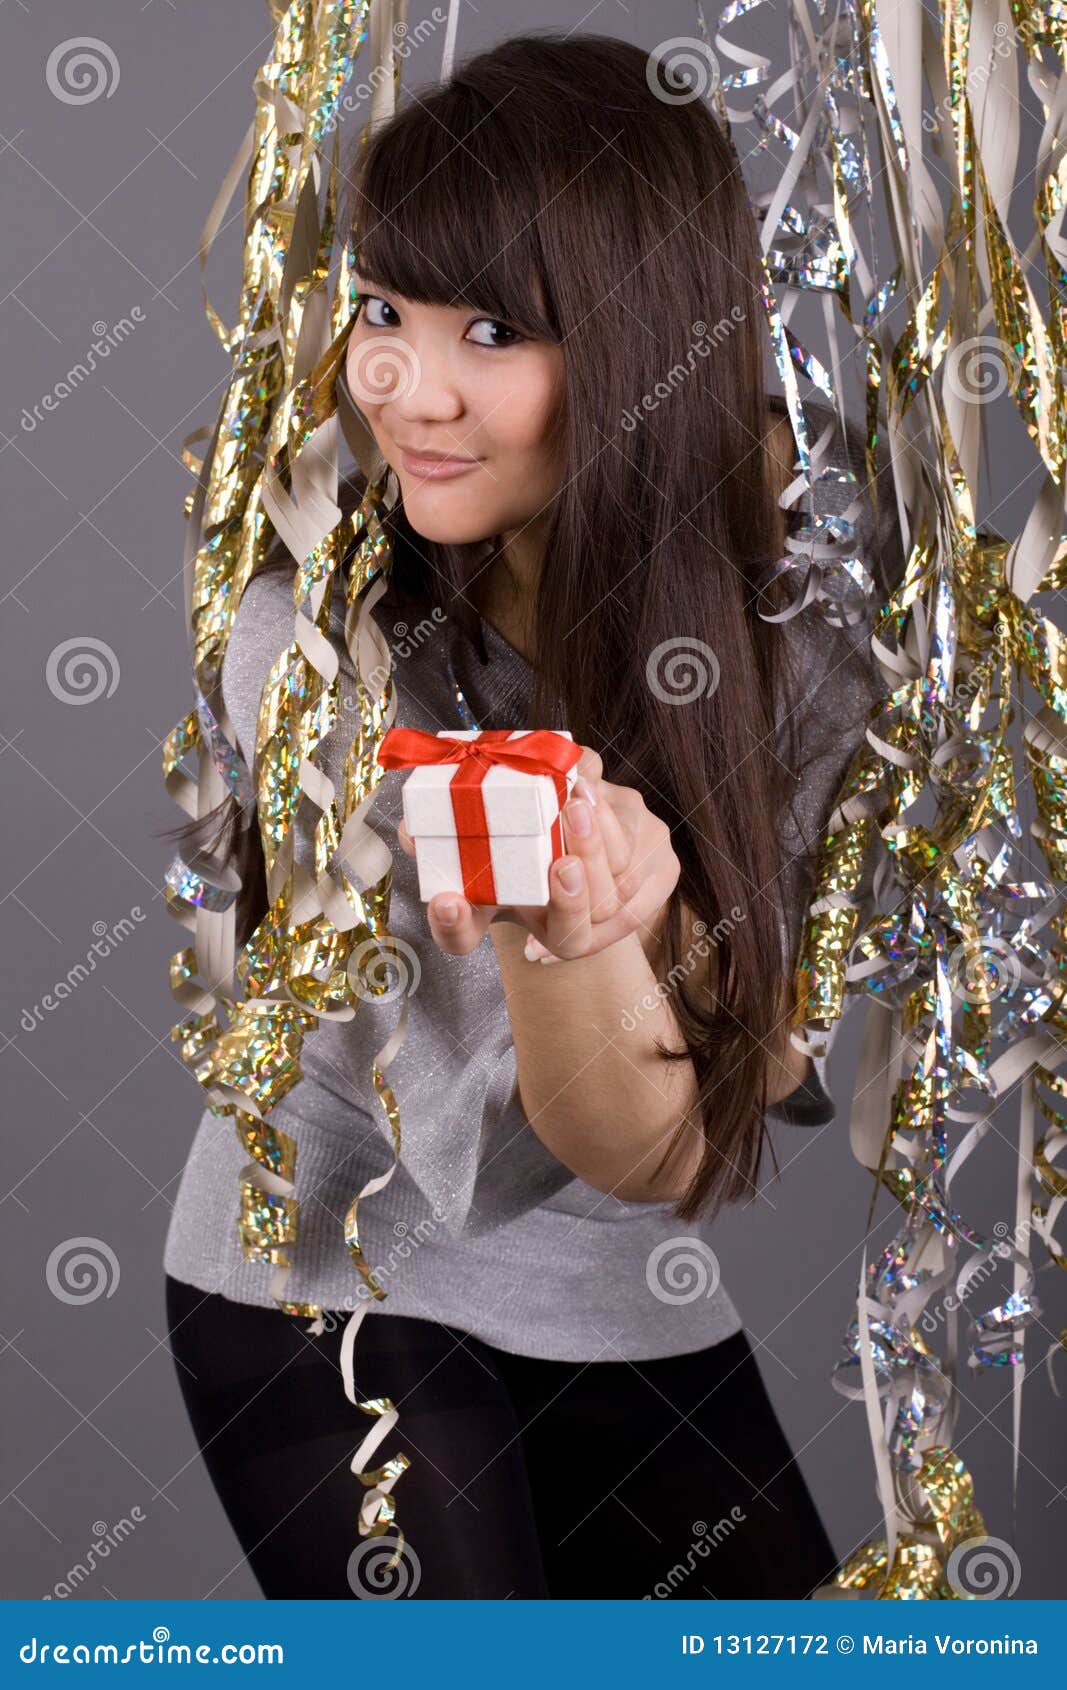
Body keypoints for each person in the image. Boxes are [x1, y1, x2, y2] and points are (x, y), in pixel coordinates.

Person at [162, 31, 903, 1600]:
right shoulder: (319, 658)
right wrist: (591, 938)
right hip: (333, 1268)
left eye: (488, 329)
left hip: (616, 1290)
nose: (402, 389)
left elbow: (723, 1103)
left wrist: (669, 940)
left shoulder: (820, 661)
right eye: (382, 311)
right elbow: (530, 1149)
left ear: (645, 344)